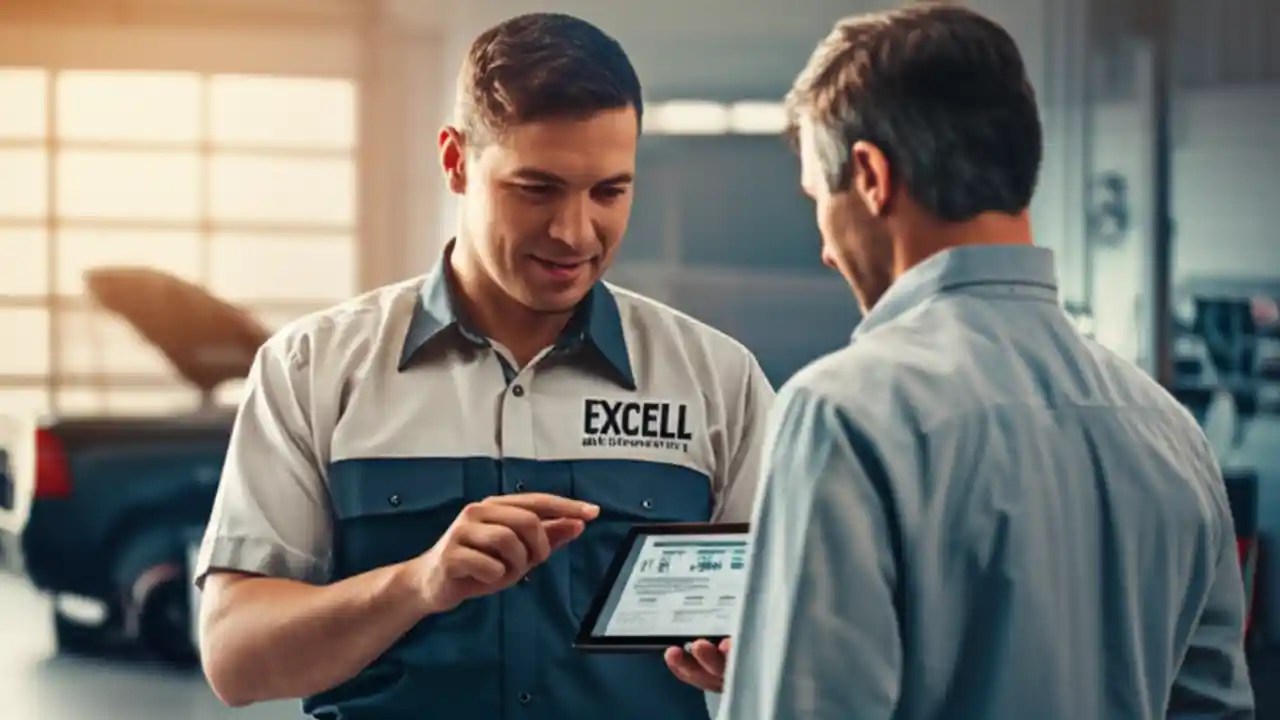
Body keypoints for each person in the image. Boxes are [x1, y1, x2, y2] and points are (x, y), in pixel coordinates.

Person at [665, 4, 1255, 719]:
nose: (825, 248)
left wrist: (762, 682)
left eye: (819, 202)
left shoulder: (842, 410)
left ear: (871, 176)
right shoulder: (1170, 429)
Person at [193, 12, 774, 720]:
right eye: (536, 189)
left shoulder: (720, 381)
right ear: (456, 161)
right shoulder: (313, 369)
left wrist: (748, 656)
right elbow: (235, 658)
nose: (574, 232)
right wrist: (417, 583)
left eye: (609, 192)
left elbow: (785, 628)